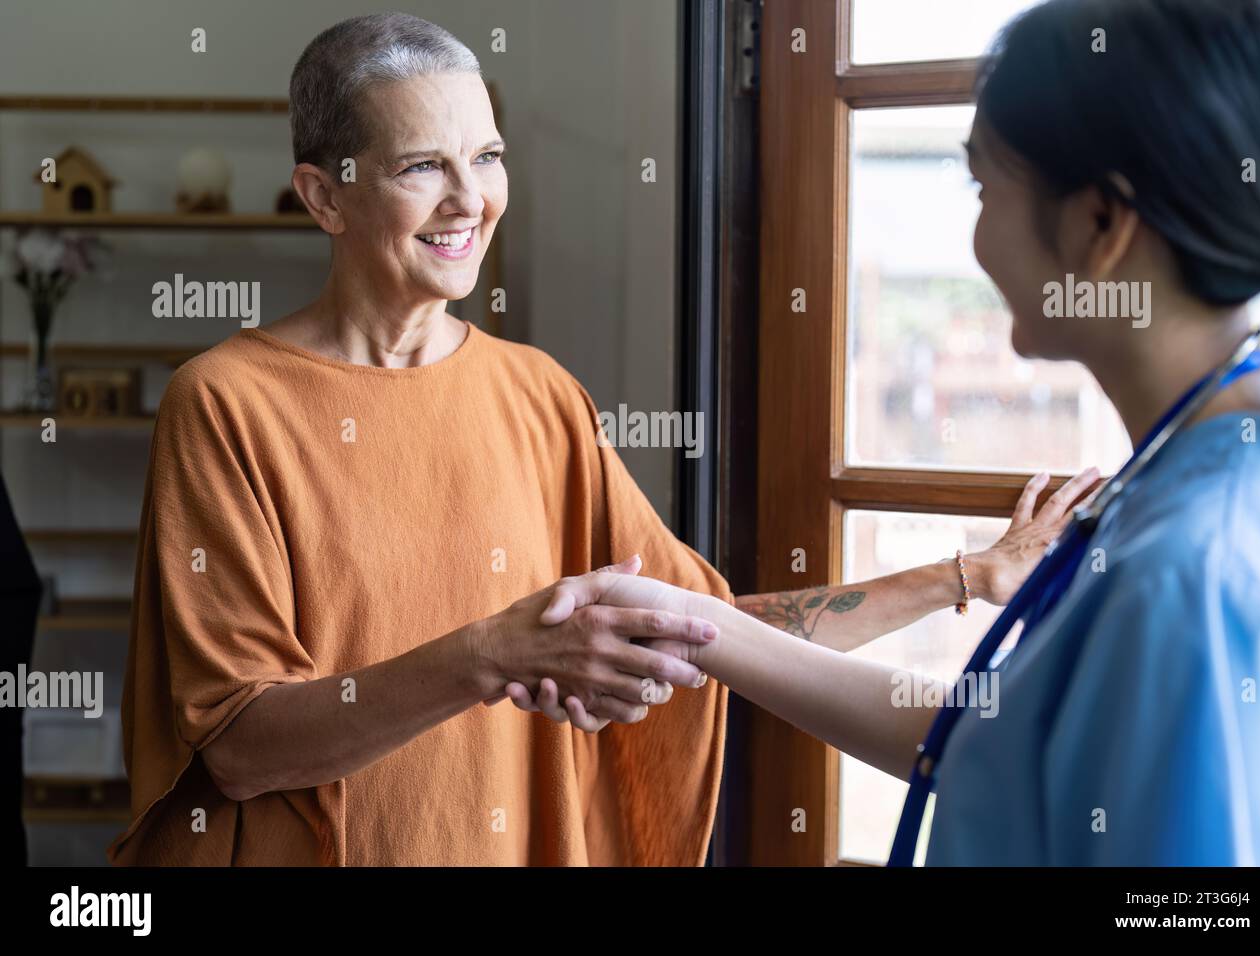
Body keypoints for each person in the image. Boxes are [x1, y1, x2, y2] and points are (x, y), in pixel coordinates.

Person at [108, 13, 1076, 866]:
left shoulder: (539, 394)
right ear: (324, 197)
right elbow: (235, 745)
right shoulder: (225, 404)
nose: (469, 200)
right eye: (421, 166)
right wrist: (489, 651)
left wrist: (967, 577)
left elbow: (710, 632)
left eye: (487, 158)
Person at [510, 0, 1260, 866]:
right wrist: (699, 622)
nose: (976, 236)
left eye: (983, 188)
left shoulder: (1193, 569)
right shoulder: (1203, 468)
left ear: (1100, 227)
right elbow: (1000, 746)